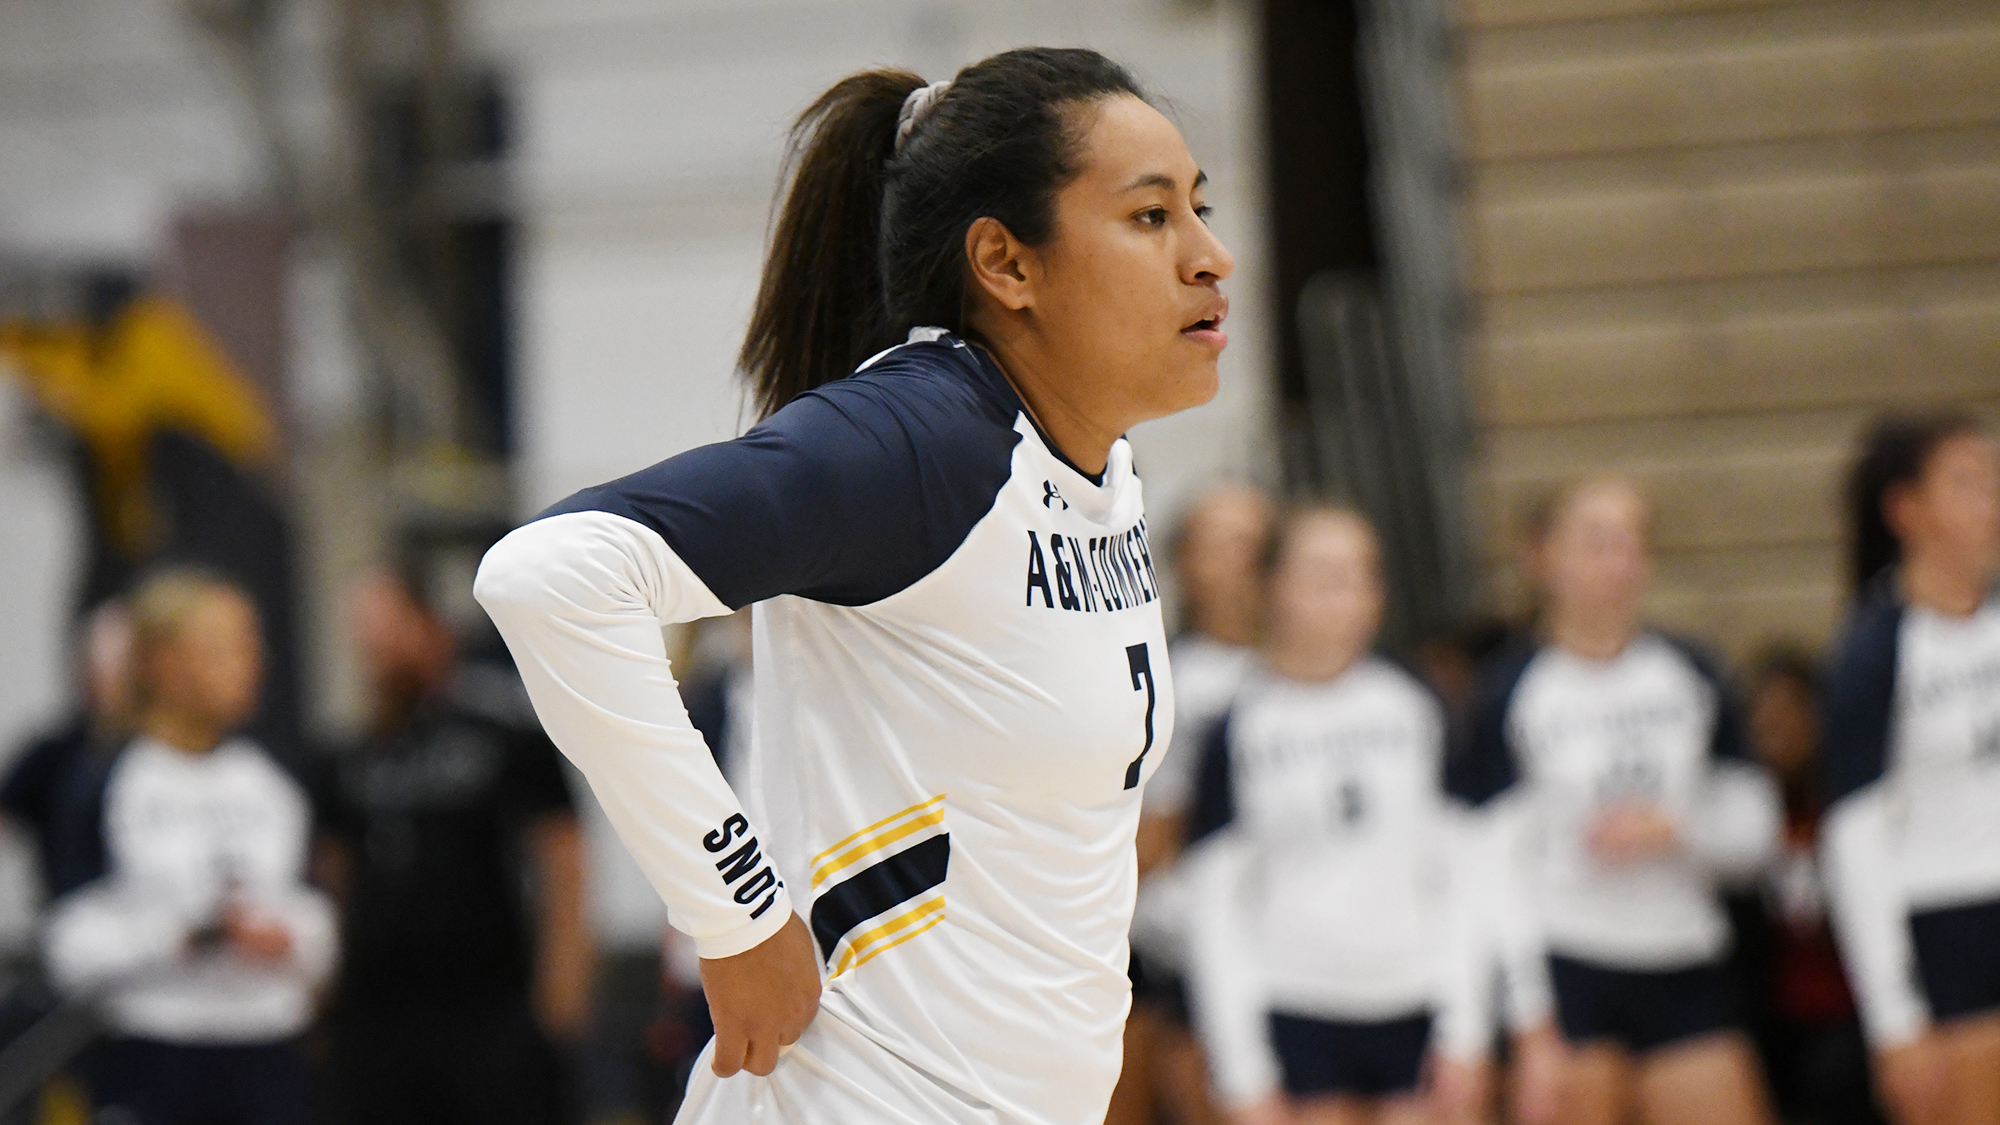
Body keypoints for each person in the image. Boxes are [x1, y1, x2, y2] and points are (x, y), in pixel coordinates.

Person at [474, 47, 1234, 1125]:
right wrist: (732, 919)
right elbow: (551, 576)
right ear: (1005, 265)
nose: (1211, 258)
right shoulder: (919, 440)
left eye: (1198, 209)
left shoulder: (1092, 464)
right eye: (1151, 218)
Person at [1454, 478, 1781, 1125]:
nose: (1619, 561)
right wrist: (1526, 1019)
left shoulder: (1692, 670)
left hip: (1681, 954)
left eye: (1633, 542)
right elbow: (1480, 864)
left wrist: (1677, 828)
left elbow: (1757, 826)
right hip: (1566, 963)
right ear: (1542, 556)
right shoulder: (1508, 689)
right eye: (1598, 542)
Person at [1179, 508, 1491, 1125]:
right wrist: (1242, 1073)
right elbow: (1215, 907)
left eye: (1362, 576)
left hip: (1413, 1005)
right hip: (1295, 1011)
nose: (1347, 596)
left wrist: (1467, 1031)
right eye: (1324, 575)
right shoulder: (1238, 724)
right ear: (1273, 586)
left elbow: (1463, 873)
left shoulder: (1417, 703)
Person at [41, 568, 335, 1125]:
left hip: (265, 1048)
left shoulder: (271, 780)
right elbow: (67, 941)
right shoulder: (105, 781)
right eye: (224, 648)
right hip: (153, 1050)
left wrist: (287, 936)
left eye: (252, 644)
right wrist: (175, 937)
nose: (252, 664)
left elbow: (319, 916)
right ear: (163, 663)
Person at [312, 566, 591, 1125]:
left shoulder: (504, 733)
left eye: (390, 630)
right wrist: (324, 998)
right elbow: (332, 876)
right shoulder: (348, 756)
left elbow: (562, 854)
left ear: (431, 627)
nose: (378, 649)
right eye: (366, 639)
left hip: (491, 1003)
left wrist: (565, 982)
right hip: (379, 1013)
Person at [1821, 413, 2000, 1125]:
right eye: (1967, 482)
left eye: (1992, 480)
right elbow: (1854, 842)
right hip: (1948, 929)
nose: (1989, 498)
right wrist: (1894, 1019)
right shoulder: (1874, 651)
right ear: (1907, 509)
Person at [1117, 483, 1275, 1125]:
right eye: (1226, 543)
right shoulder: (1154, 674)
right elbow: (1142, 836)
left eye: (1261, 543)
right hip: (1162, 945)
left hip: (1291, 936)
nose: (1248, 559)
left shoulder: (1324, 678)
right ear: (1183, 563)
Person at [1726, 644, 1880, 1125]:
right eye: (1766, 722)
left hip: (1854, 1021)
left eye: (1792, 717)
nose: (1780, 734)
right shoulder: (1737, 825)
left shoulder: (1851, 813)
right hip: (1771, 1025)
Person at [0, 599, 138, 901]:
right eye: (92, 665)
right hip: (70, 923)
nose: (100, 678)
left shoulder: (160, 753)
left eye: (116, 666)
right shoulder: (52, 753)